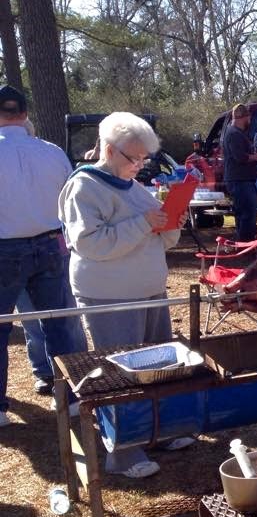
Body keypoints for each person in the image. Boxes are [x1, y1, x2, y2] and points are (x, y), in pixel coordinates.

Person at [58, 112, 191, 477]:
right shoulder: (84, 187)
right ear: (109, 150)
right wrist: (144, 223)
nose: (140, 165)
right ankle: (123, 453)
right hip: (110, 295)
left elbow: (159, 240)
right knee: (119, 374)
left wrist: (171, 224)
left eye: (144, 158)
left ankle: (159, 432)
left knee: (159, 369)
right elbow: (91, 244)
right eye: (135, 158)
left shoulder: (134, 187)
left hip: (149, 291)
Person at [0, 85, 78, 427]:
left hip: (6, 247)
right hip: (49, 242)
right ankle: (69, 397)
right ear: (25, 114)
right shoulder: (52, 152)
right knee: (58, 323)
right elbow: (68, 198)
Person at [222, 104, 257, 241]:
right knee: (250, 212)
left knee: (243, 212)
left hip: (242, 179)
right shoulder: (234, 134)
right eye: (249, 117)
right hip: (239, 180)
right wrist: (256, 157)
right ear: (243, 117)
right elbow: (239, 157)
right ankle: (246, 243)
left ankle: (241, 242)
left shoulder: (236, 132)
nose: (250, 120)